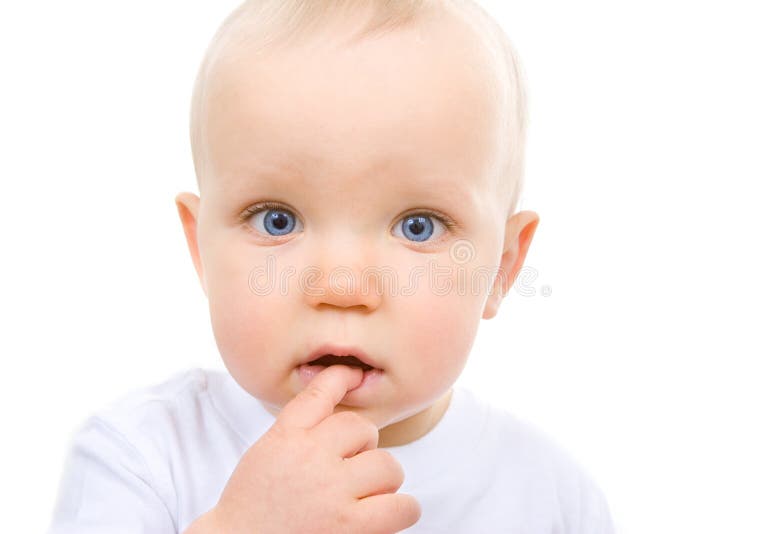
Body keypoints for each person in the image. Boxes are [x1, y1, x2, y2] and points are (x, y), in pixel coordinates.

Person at [48, 1, 615, 532]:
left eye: (418, 225)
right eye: (277, 220)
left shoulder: (553, 499)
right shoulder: (141, 459)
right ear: (201, 253)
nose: (342, 287)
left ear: (501, 268)